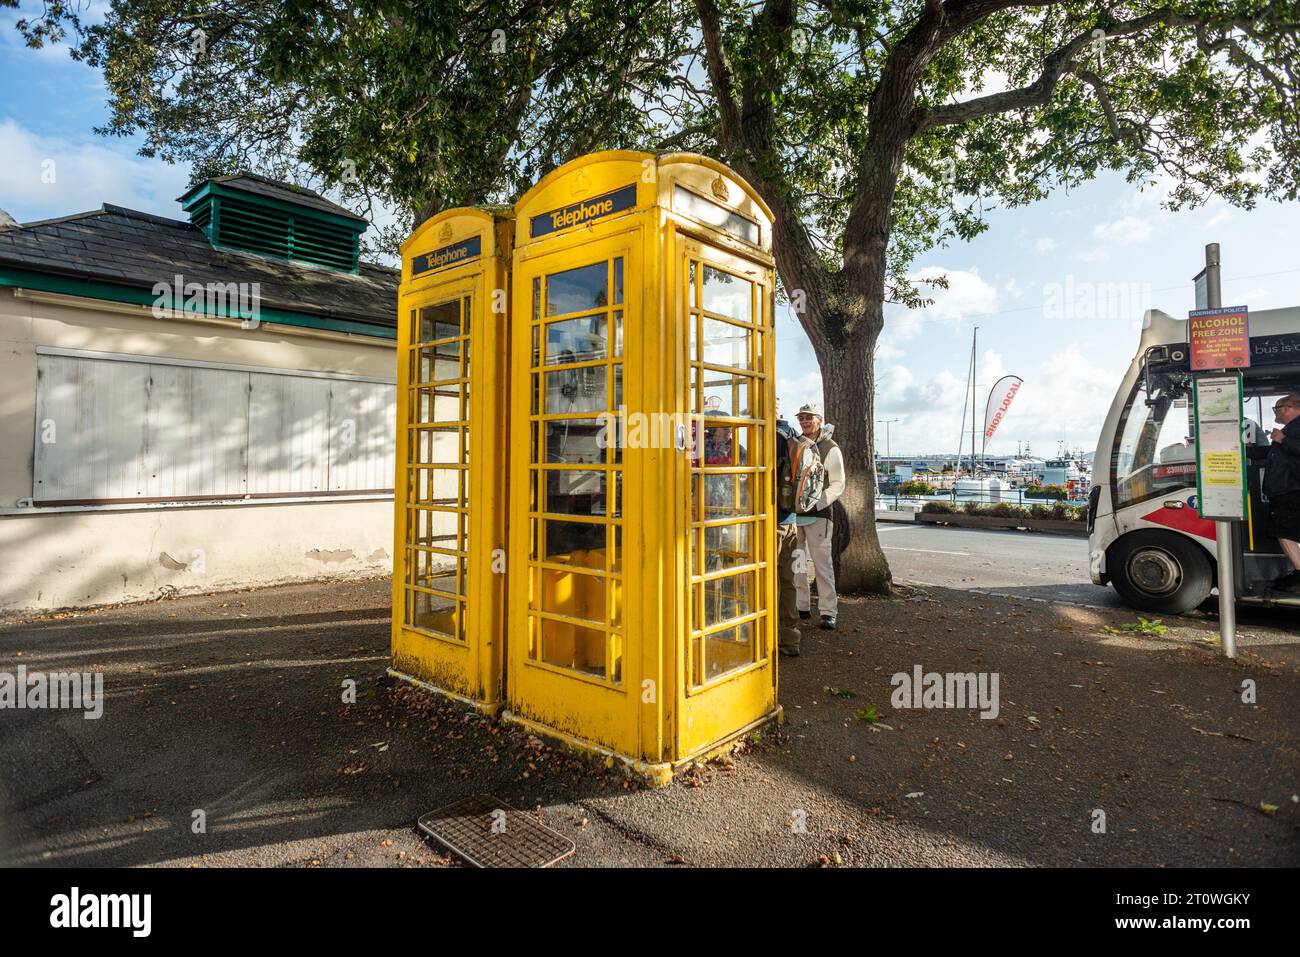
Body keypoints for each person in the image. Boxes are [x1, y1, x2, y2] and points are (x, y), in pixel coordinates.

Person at [794, 402, 845, 629]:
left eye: (809, 417)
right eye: (802, 418)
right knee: (797, 563)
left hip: (820, 515)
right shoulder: (796, 444)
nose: (805, 421)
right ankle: (801, 605)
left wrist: (817, 502)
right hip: (796, 514)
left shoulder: (830, 448)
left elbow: (838, 483)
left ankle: (828, 611)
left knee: (822, 565)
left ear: (819, 420)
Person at [1251, 394, 1300, 592]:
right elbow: (1273, 453)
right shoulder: (1289, 430)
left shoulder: (1290, 432)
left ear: (1288, 408)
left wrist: (1283, 439)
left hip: (1291, 490)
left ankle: (1298, 573)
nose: (1275, 413)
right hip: (1287, 489)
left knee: (1283, 532)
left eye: (1276, 409)